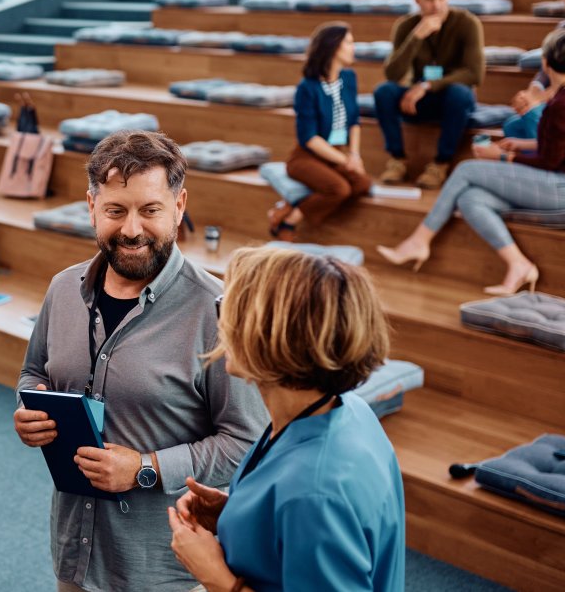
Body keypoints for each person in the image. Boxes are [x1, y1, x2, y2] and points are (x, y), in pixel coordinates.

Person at [14, 130, 268, 592]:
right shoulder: (62, 290)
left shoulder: (217, 311)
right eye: (115, 210)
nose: (131, 229)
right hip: (75, 550)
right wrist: (31, 409)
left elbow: (247, 441)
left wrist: (146, 467)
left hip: (163, 570)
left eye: (150, 210)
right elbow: (35, 371)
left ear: (179, 205)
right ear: (91, 205)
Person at [167, 246, 404, 592]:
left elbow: (310, 505)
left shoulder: (315, 493)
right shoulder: (346, 409)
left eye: (227, 310)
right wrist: (239, 516)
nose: (221, 325)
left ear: (271, 338)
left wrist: (217, 579)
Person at [377, 28, 565, 296]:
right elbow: (558, 150)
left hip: (560, 188)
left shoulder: (561, 103)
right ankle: (518, 263)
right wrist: (522, 144)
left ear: (545, 63)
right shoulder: (561, 98)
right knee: (472, 199)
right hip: (557, 183)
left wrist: (503, 157)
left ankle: (419, 240)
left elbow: (549, 162)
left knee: (467, 169)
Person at [374, 0, 483, 189]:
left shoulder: (467, 23)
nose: (437, 6)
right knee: (383, 92)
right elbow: (393, 74)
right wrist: (416, 37)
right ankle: (397, 160)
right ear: (416, 0)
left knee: (459, 93)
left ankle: (440, 164)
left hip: (453, 100)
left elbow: (474, 74)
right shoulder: (406, 26)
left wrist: (426, 85)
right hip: (420, 101)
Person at [269, 22, 370, 242]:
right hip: (307, 156)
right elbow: (309, 138)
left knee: (363, 184)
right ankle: (290, 220)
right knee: (340, 189)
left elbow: (354, 121)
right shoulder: (307, 88)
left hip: (335, 153)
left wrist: (354, 155)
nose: (354, 48)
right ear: (334, 47)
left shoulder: (349, 78)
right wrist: (344, 160)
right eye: (349, 43)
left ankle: (291, 204)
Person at [505, 0, 565, 140]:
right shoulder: (562, 27)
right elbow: (546, 67)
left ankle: (547, 163)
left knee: (532, 115)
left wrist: (542, 98)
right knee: (512, 126)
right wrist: (532, 92)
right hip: (557, 95)